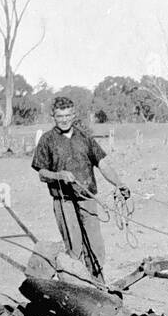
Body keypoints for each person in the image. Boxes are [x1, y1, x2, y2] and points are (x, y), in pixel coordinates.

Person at [31, 97, 129, 280]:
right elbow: (42, 173)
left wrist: (119, 183)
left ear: (74, 115)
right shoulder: (47, 140)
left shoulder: (85, 138)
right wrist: (59, 175)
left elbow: (103, 163)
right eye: (60, 116)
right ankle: (76, 285)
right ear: (53, 116)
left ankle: (98, 284)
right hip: (64, 201)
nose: (64, 119)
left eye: (68, 115)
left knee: (95, 245)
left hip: (87, 198)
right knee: (74, 248)